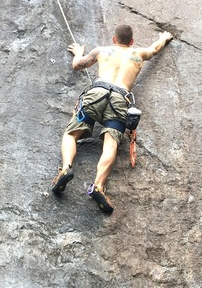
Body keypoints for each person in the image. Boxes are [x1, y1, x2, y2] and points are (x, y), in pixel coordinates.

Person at [51, 24, 173, 214]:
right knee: (110, 144)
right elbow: (153, 50)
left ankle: (66, 168)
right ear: (131, 42)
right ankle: (98, 186)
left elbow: (77, 65)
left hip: (97, 93)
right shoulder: (138, 54)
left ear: (114, 40)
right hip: (120, 99)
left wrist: (78, 52)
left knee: (71, 134)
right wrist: (164, 37)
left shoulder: (102, 50)